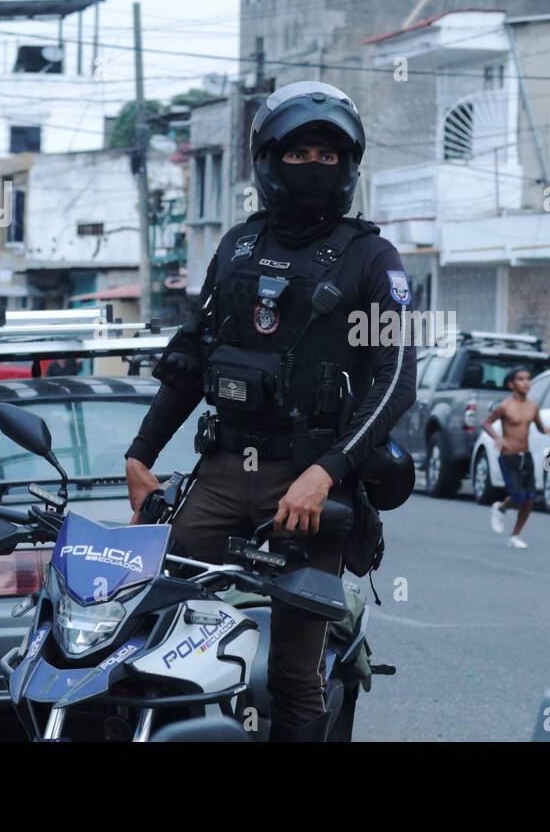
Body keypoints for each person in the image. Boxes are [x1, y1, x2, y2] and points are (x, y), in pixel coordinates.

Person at [123, 81, 417, 741]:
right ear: (266, 161)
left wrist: (328, 470)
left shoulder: (373, 258)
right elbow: (191, 360)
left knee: (293, 670)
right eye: (299, 153)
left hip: (313, 483)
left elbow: (396, 382)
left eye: (328, 155)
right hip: (223, 471)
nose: (314, 166)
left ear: (349, 167)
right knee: (148, 631)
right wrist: (141, 452)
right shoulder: (236, 248)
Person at [482, 367, 550, 548]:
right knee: (518, 496)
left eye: (528, 379)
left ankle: (515, 535)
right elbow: (486, 423)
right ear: (511, 384)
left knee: (530, 498)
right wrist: (498, 438)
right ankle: (501, 507)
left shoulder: (533, 406)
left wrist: (545, 430)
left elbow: (537, 425)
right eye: (521, 379)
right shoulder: (505, 406)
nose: (526, 383)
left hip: (526, 456)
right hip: (509, 456)